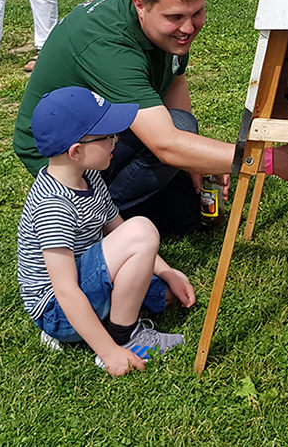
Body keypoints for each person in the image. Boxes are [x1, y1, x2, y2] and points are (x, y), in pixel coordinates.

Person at [13, 0, 288, 235]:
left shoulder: (158, 20)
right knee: (177, 135)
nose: (188, 27)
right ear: (140, 4)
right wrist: (269, 162)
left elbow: (174, 78)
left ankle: (126, 207)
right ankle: (86, 220)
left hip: (104, 131)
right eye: (176, 17)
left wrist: (199, 160)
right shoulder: (109, 44)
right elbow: (167, 143)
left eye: (198, 13)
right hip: (57, 155)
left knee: (187, 218)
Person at [18, 86, 195, 375]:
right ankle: (125, 337)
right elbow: (64, 289)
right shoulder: (53, 206)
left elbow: (116, 228)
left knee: (166, 294)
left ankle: (109, 321)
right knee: (142, 230)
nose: (116, 140)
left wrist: (166, 272)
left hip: (88, 281)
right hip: (58, 311)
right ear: (76, 151)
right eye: (108, 136)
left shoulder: (88, 176)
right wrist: (110, 352)